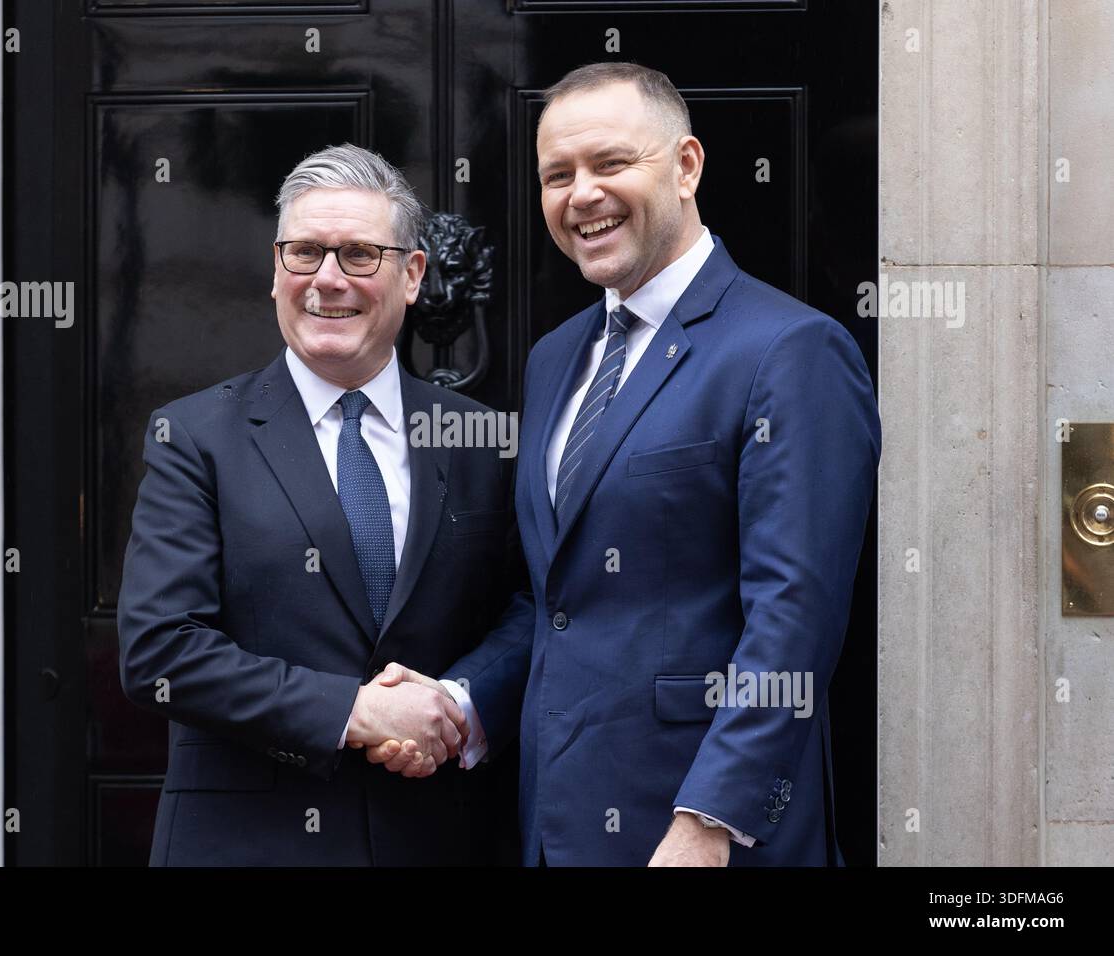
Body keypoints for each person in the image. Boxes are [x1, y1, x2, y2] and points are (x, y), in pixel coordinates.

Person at [368, 62, 880, 867]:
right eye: (557, 176)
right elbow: (556, 601)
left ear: (685, 166)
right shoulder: (554, 358)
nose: (582, 195)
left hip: (702, 835)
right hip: (556, 821)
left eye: (610, 164)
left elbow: (795, 619)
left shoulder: (791, 351)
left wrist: (712, 817)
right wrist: (461, 703)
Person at [117, 143, 519, 865]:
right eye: (304, 253)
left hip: (441, 839)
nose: (327, 281)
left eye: (360, 254)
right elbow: (159, 649)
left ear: (413, 274)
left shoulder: (482, 440)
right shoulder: (196, 436)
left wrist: (460, 705)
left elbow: (533, 609)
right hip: (249, 846)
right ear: (277, 271)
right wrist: (356, 712)